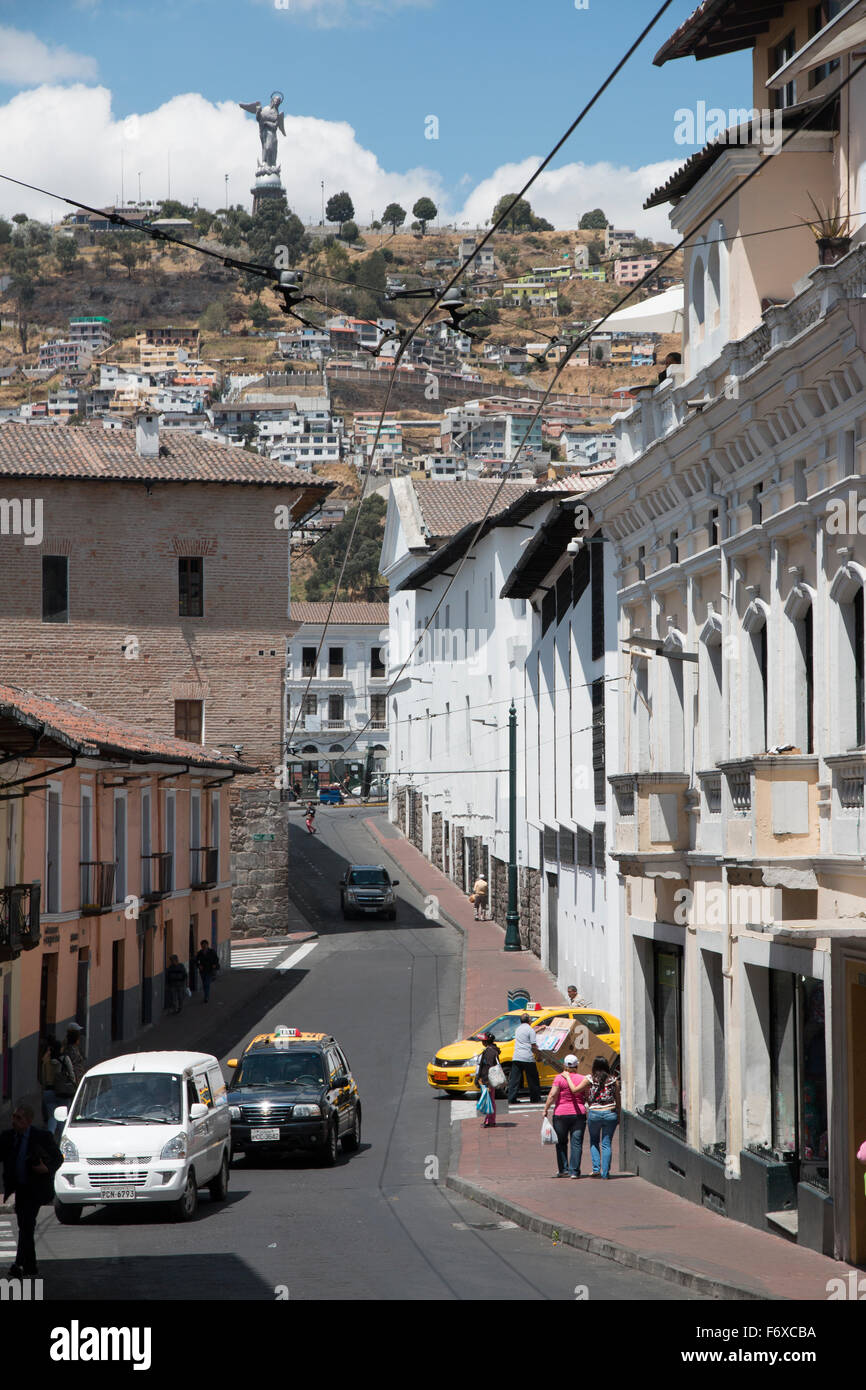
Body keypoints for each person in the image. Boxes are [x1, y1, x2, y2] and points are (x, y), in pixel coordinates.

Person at [0, 1102, 63, 1277]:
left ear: (28, 1120)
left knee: (27, 1224)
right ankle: (30, 1265)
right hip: (19, 1188)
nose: (14, 1121)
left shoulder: (41, 1136)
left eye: (18, 1118)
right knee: (25, 1225)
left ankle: (19, 1263)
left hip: (35, 1189)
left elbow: (58, 1158)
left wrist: (46, 1168)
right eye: (13, 1117)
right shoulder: (8, 1137)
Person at [542, 1055, 589, 1177]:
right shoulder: (582, 1078)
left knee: (561, 1142)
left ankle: (564, 1169)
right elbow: (587, 1096)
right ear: (576, 1066)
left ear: (564, 1066)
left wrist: (545, 1109)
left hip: (561, 1114)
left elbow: (552, 1095)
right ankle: (575, 1171)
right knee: (577, 1143)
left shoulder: (559, 1078)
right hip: (579, 1113)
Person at [585, 1056, 621, 1179]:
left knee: (594, 1141)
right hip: (610, 1112)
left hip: (594, 1113)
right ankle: (605, 1172)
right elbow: (618, 1099)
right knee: (606, 1143)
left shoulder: (590, 1079)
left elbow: (580, 1092)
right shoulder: (614, 1080)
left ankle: (596, 1169)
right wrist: (619, 1115)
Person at [507, 1013, 542, 1104]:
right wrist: (538, 1056)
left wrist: (539, 1029)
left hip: (517, 1057)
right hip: (527, 1057)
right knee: (533, 1079)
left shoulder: (518, 1029)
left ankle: (511, 1098)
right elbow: (533, 1045)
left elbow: (526, 1034)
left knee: (515, 1079)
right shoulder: (530, 1030)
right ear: (529, 1021)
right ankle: (535, 1098)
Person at [474, 1033, 501, 1129]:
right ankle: (488, 1120)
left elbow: (489, 1067)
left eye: (483, 1040)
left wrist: (489, 1083)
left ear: (486, 1041)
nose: (481, 1042)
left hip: (488, 1081)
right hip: (487, 1080)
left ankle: (490, 1121)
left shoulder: (490, 1052)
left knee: (490, 1101)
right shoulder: (491, 1050)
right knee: (489, 1100)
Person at [39, 1036, 62, 1130]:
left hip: (48, 1089)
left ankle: (50, 1134)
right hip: (60, 1092)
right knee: (61, 1118)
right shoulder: (62, 1061)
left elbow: (43, 1077)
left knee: (51, 1117)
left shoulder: (46, 1061)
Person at [195, 939, 220, 1004]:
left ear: (207, 945)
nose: (204, 947)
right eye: (202, 945)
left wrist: (214, 964)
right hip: (203, 971)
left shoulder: (212, 951)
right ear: (201, 946)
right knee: (204, 984)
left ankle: (206, 997)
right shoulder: (199, 953)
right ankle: (206, 995)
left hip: (210, 970)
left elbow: (216, 959)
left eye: (205, 945)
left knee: (206, 983)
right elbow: (196, 961)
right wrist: (199, 965)